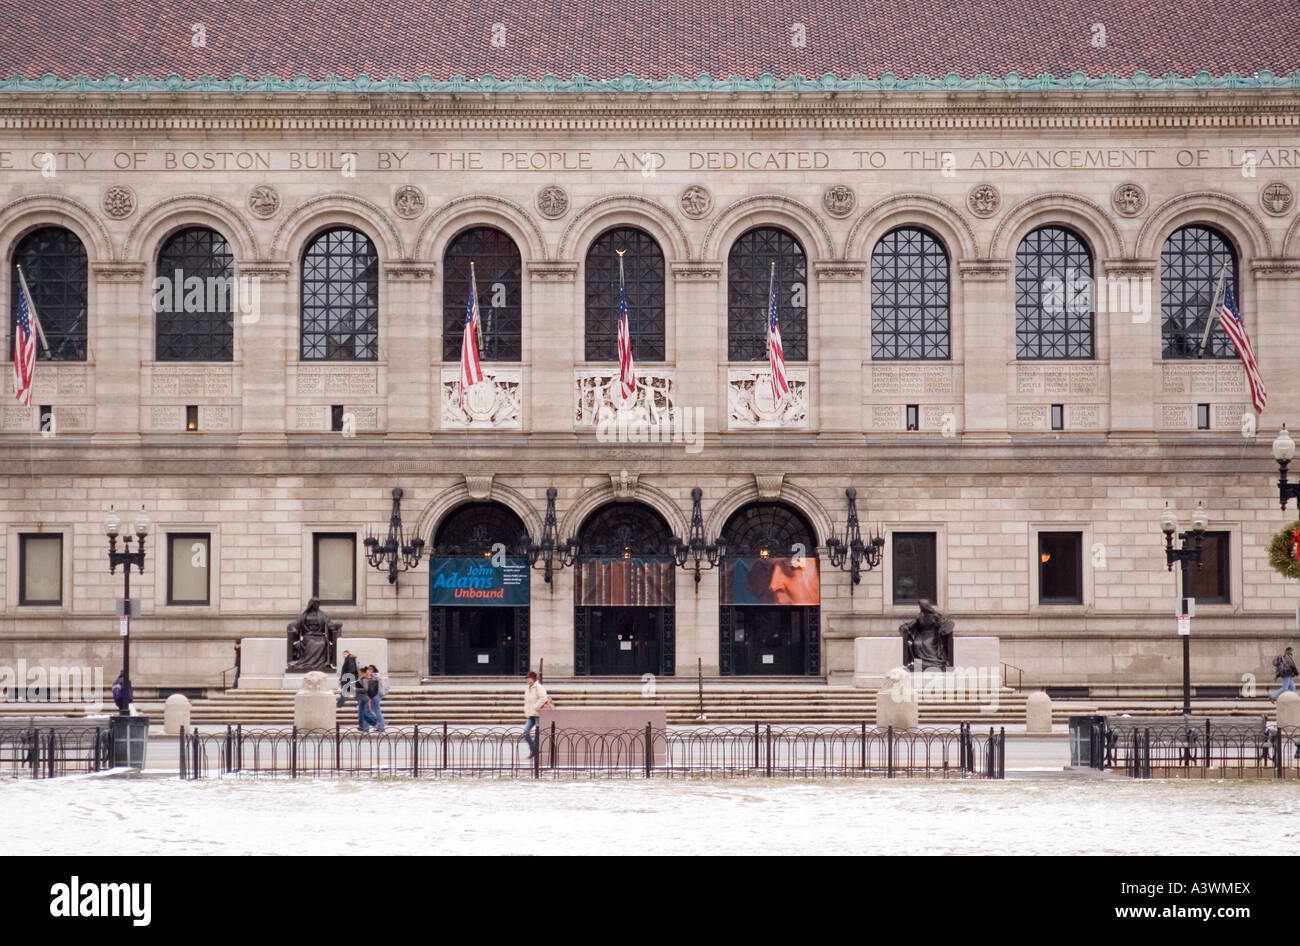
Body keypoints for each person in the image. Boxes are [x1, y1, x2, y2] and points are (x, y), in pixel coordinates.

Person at [522, 671, 553, 759]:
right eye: (527, 679)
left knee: (538, 733)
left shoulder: (539, 687)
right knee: (526, 732)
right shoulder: (528, 688)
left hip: (538, 714)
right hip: (531, 714)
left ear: (533, 679)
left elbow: (543, 698)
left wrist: (536, 707)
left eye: (529, 678)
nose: (527, 680)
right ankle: (534, 749)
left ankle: (536, 751)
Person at [356, 667, 380, 732]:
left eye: (359, 673)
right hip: (361, 697)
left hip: (365, 698)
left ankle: (375, 723)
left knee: (366, 713)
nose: (358, 674)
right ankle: (363, 727)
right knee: (362, 713)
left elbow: (365, 689)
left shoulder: (364, 679)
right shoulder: (361, 679)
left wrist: (356, 689)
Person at [369, 665, 388, 732]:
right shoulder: (376, 676)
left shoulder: (374, 677)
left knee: (376, 711)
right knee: (375, 711)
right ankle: (380, 725)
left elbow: (372, 689)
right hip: (377, 696)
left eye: (369, 670)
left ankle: (381, 726)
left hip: (375, 696)